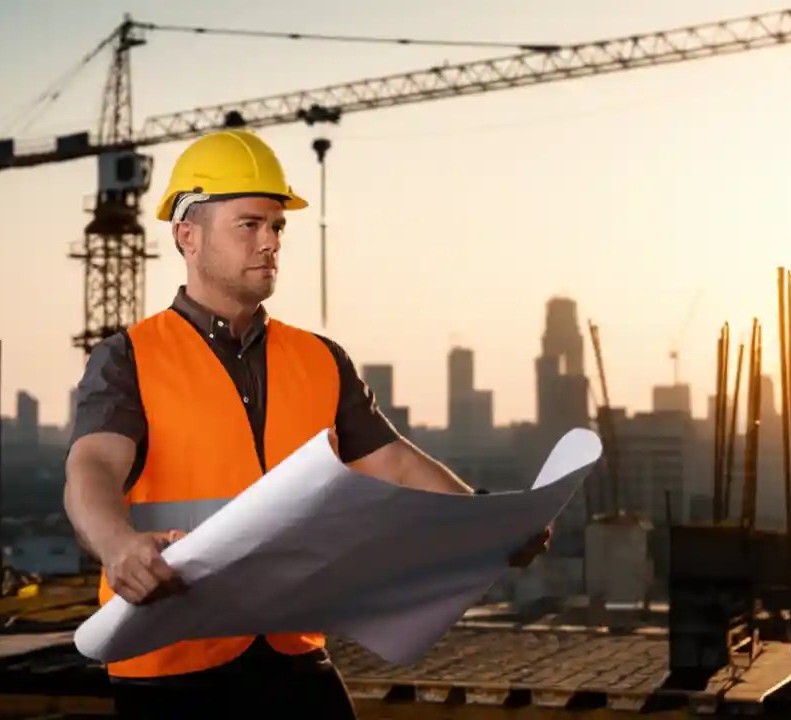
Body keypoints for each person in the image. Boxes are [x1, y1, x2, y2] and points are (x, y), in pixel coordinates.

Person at [64, 128, 552, 718]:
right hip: (173, 660)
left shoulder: (320, 358)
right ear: (187, 235)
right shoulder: (130, 357)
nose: (269, 242)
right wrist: (118, 547)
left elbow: (392, 460)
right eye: (250, 224)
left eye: (277, 227)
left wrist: (483, 520)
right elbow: (92, 466)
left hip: (290, 646)